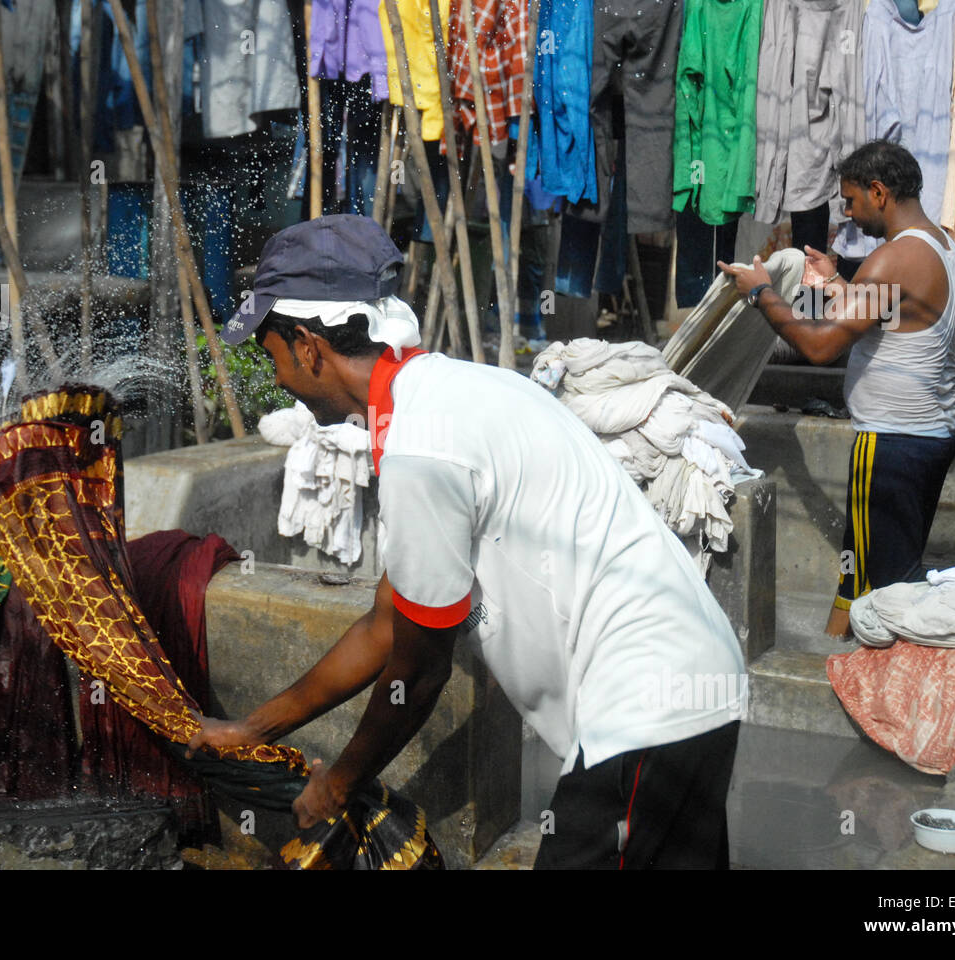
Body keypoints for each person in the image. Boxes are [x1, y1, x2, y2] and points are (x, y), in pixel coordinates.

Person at [190, 213, 747, 869]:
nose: (276, 374)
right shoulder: (452, 390)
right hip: (695, 679)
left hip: (644, 707)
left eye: (272, 351)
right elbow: (385, 624)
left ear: (309, 345)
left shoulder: (423, 448)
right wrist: (251, 731)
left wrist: (337, 783)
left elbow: (418, 672)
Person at [718, 140, 955, 638]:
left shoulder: (894, 259)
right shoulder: (943, 246)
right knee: (869, 578)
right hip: (930, 439)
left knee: (880, 593)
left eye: (851, 201)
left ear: (879, 192)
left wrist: (760, 291)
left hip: (891, 446)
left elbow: (819, 347)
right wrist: (837, 285)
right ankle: (840, 658)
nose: (848, 215)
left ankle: (872, 689)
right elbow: (888, 317)